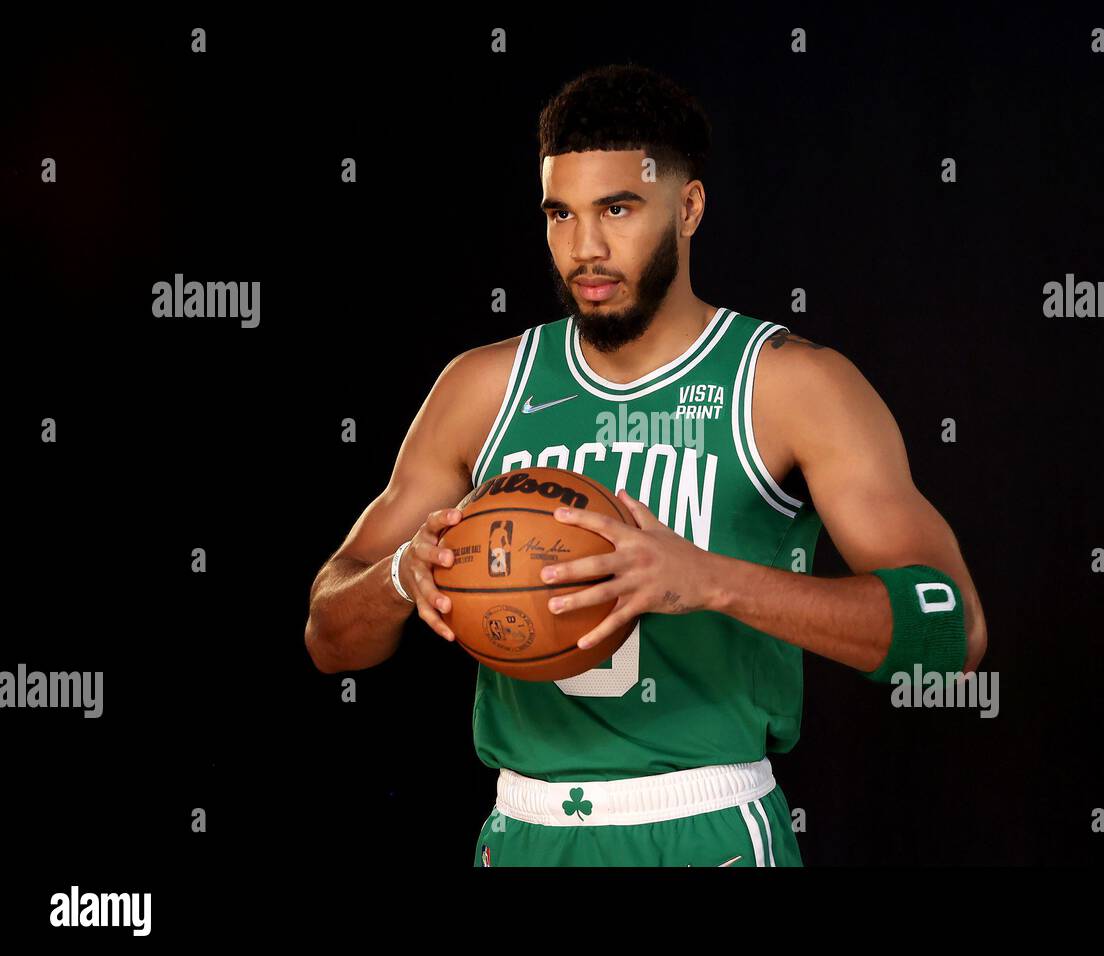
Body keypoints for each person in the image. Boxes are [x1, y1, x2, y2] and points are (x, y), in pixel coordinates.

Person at [304, 63, 987, 866]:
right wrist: (399, 578)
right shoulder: (482, 387)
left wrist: (709, 580)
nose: (584, 249)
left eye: (617, 210)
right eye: (560, 214)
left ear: (688, 206)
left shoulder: (791, 384)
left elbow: (953, 632)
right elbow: (327, 636)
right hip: (525, 829)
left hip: (709, 826)